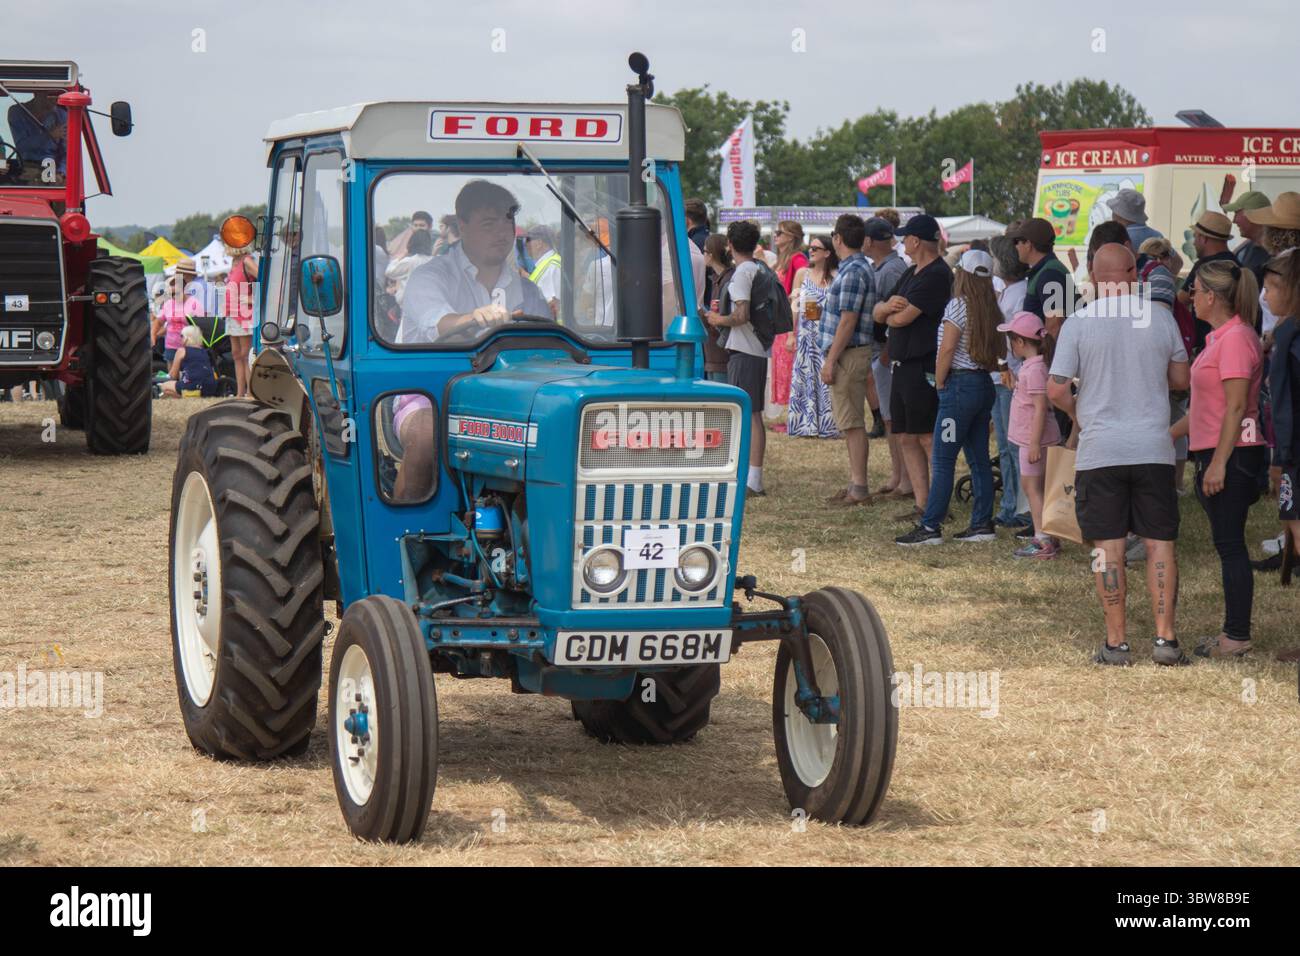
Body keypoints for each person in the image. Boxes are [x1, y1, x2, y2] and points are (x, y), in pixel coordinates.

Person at [1047, 245, 1190, 666]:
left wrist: (1080, 413)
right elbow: (1181, 378)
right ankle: (1165, 640)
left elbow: (1056, 389)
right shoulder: (1160, 317)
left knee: (1105, 546)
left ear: (1093, 275)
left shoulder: (1078, 322)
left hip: (1101, 449)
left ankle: (1117, 643)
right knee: (1159, 542)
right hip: (1153, 447)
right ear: (1132, 273)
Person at [1169, 261, 1266, 659]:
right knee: (1227, 544)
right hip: (1218, 449)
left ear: (1212, 295)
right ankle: (1234, 632)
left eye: (1194, 291)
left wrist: (1220, 463)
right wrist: (1166, 437)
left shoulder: (1237, 339)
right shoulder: (1220, 338)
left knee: (1231, 546)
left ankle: (1236, 636)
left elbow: (1236, 406)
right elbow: (1206, 408)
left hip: (1235, 453)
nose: (1190, 298)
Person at [896, 250, 1003, 545]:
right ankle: (982, 523)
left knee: (943, 460)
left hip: (959, 385)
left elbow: (947, 350)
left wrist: (940, 381)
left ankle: (930, 527)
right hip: (983, 385)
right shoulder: (991, 307)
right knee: (978, 458)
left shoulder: (958, 306)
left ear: (963, 275)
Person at [399, 180, 550, 344]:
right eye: (489, 224)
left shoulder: (529, 292)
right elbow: (436, 323)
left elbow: (547, 346)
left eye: (508, 222)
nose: (502, 233)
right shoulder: (427, 278)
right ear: (462, 226)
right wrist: (472, 320)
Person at [875, 214, 953, 522]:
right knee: (905, 434)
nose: (902, 242)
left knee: (926, 436)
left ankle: (937, 505)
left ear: (917, 241)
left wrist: (889, 314)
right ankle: (922, 503)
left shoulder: (936, 274)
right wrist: (886, 311)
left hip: (922, 363)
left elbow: (902, 317)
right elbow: (880, 310)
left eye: (906, 237)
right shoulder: (910, 273)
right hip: (901, 364)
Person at [704, 220, 771, 497]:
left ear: (730, 245)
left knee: (750, 415)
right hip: (757, 348)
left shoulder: (742, 273)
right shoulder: (759, 267)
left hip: (745, 350)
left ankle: (753, 480)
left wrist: (717, 318)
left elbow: (741, 315)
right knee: (752, 413)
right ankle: (752, 476)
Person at [818, 214, 878, 505]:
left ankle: (859, 487)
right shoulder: (855, 268)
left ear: (837, 239)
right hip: (850, 352)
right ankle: (856, 484)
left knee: (852, 423)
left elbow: (848, 320)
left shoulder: (853, 271)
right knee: (849, 421)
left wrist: (831, 360)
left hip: (849, 353)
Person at [998, 311, 1061, 558]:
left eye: (1011, 340)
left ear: (1021, 342)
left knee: (1032, 488)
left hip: (1032, 440)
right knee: (1037, 487)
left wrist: (1034, 444)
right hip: (1034, 439)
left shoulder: (1034, 369)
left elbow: (1040, 407)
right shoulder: (1033, 367)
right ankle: (1049, 534)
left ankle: (1042, 539)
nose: (1010, 346)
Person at [1262, 252, 1300, 626]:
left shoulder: (1290, 334)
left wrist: (1280, 457)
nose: (1266, 295)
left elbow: (1285, 403)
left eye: (1273, 287)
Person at [865, 216, 910, 492]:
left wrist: (887, 350)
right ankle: (898, 476)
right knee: (890, 418)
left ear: (869, 241)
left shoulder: (891, 270)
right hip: (881, 352)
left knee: (894, 419)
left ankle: (904, 479)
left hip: (886, 353)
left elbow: (898, 313)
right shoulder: (882, 267)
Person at [989, 235, 1030, 531]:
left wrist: (1007, 365)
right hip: (999, 375)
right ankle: (1009, 505)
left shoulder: (1020, 293)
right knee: (1004, 446)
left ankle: (1022, 508)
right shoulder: (1006, 291)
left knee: (1014, 447)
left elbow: (1016, 338)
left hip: (1011, 377)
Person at [786, 235, 839, 438]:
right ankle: (804, 423)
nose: (811, 250)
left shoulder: (836, 276)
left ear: (827, 252)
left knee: (826, 379)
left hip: (827, 335)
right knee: (805, 376)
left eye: (816, 247)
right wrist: (791, 333)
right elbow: (795, 306)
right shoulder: (802, 274)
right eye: (810, 247)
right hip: (806, 334)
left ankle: (829, 423)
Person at [1179, 211, 1237, 348]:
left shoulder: (1204, 266)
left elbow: (1181, 299)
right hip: (1231, 337)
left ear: (1203, 238)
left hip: (1206, 341)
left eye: (1195, 237)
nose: (1193, 243)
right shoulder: (1236, 264)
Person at [1010, 218, 1074, 338]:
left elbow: (1055, 325)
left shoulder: (1049, 274)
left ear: (1028, 244)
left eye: (1017, 241)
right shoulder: (1046, 270)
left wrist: (1046, 355)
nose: (1016, 247)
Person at [769, 220, 807, 422]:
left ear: (790, 237)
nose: (776, 236)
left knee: (789, 369)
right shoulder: (783, 259)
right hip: (780, 321)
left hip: (789, 321)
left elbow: (799, 291)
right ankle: (790, 415)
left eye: (779, 233)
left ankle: (796, 415)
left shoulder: (797, 259)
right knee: (782, 369)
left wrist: (792, 330)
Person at [7, 92, 67, 178]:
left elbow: (68, 152)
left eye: (56, 95)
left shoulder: (62, 115)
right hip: (26, 165)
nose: (53, 100)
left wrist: (61, 173)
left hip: (52, 167)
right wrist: (49, 136)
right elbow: (21, 145)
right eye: (49, 95)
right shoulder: (17, 112)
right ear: (37, 93)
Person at [701, 235, 734, 383]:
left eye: (704, 251)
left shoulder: (726, 281)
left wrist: (704, 315)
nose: (703, 255)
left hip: (721, 354)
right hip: (714, 354)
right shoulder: (717, 279)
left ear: (711, 254)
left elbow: (724, 316)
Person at [224, 252, 257, 399]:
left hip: (244, 314)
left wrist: (252, 298)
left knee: (245, 354)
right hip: (232, 314)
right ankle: (239, 393)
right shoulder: (235, 262)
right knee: (237, 354)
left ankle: (250, 392)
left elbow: (266, 279)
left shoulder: (247, 261)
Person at [1224, 190, 1273, 282]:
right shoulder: (1246, 247)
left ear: (1252, 215)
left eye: (1236, 213)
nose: (1234, 220)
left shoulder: (1276, 252)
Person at [160, 324, 220, 398]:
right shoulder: (205, 351)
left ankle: (187, 396)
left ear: (187, 338)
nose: (180, 338)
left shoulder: (182, 351)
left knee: (164, 386)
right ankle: (192, 396)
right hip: (210, 387)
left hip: (192, 386)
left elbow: (173, 375)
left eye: (181, 336)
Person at [385, 227, 434, 304]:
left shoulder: (410, 261)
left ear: (412, 242)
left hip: (409, 305)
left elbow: (389, 272)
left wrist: (401, 256)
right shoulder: (435, 261)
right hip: (428, 304)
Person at [525, 226, 561, 317]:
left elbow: (552, 304)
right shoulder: (548, 263)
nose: (525, 245)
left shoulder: (550, 267)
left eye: (528, 240)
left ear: (539, 243)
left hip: (550, 326)